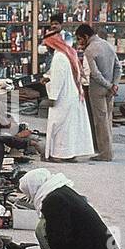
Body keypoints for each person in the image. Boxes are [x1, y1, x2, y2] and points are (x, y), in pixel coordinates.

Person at [19, 169, 125, 249]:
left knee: (41, 229)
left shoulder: (53, 200)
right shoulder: (60, 190)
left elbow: (60, 238)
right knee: (45, 226)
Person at [43, 32, 94, 161]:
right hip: (73, 96)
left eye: (48, 45)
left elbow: (59, 80)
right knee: (70, 126)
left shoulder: (59, 57)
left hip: (63, 98)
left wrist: (52, 97)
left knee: (60, 127)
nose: (47, 48)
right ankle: (70, 154)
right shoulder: (70, 54)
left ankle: (60, 155)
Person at [76, 24, 120, 162]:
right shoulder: (107, 45)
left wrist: (108, 86)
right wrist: (114, 85)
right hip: (110, 88)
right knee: (108, 120)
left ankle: (105, 153)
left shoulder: (90, 50)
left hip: (98, 89)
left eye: (79, 39)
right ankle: (108, 151)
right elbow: (118, 67)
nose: (79, 42)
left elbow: (95, 74)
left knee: (100, 122)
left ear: (86, 36)